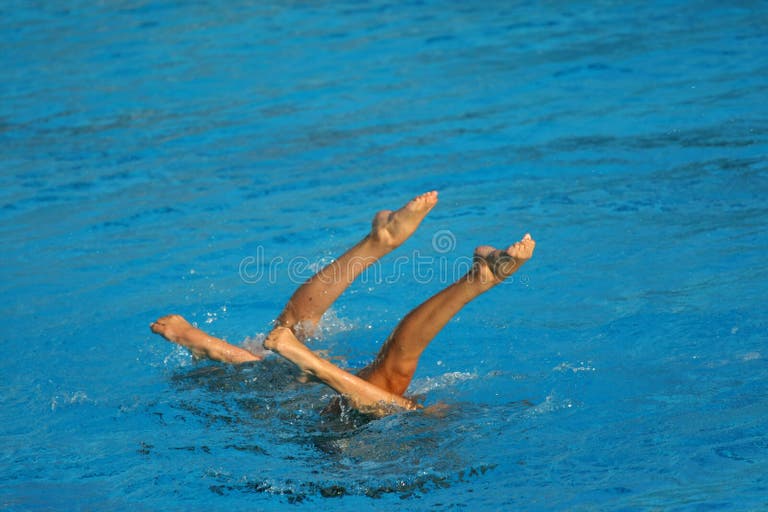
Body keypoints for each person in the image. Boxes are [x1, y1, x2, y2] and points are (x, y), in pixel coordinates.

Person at [150, 191, 535, 416]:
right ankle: (470, 277)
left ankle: (384, 245)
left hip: (334, 431)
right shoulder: (424, 427)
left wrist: (197, 338)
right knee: (381, 376)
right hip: (360, 420)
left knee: (294, 338)